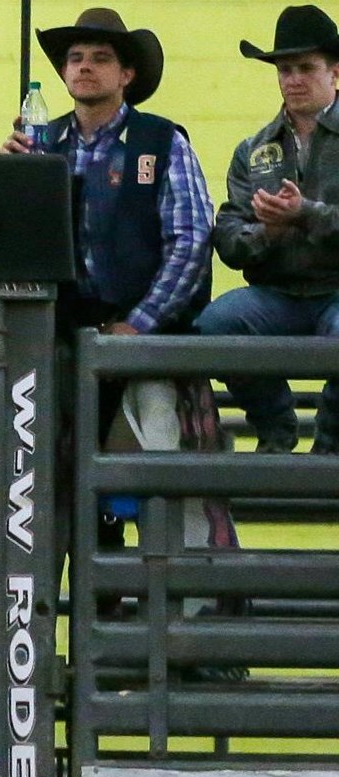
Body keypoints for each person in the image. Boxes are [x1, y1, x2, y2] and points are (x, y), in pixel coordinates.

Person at [0, 9, 234, 569]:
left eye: (100, 58)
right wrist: (11, 183)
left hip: (147, 346)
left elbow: (190, 240)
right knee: (44, 487)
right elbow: (12, 251)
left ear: (127, 74)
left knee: (165, 480)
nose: (84, 68)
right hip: (61, 342)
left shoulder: (162, 141)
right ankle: (64, 622)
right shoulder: (38, 145)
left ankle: (184, 623)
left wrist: (138, 326)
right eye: (76, 58)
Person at [197, 4, 339, 455]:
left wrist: (305, 214)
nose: (292, 79)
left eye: (305, 68)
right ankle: (276, 428)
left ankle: (332, 443)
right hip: (276, 296)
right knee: (216, 324)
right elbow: (229, 237)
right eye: (284, 69)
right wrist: (268, 234)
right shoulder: (252, 150)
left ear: (335, 73)